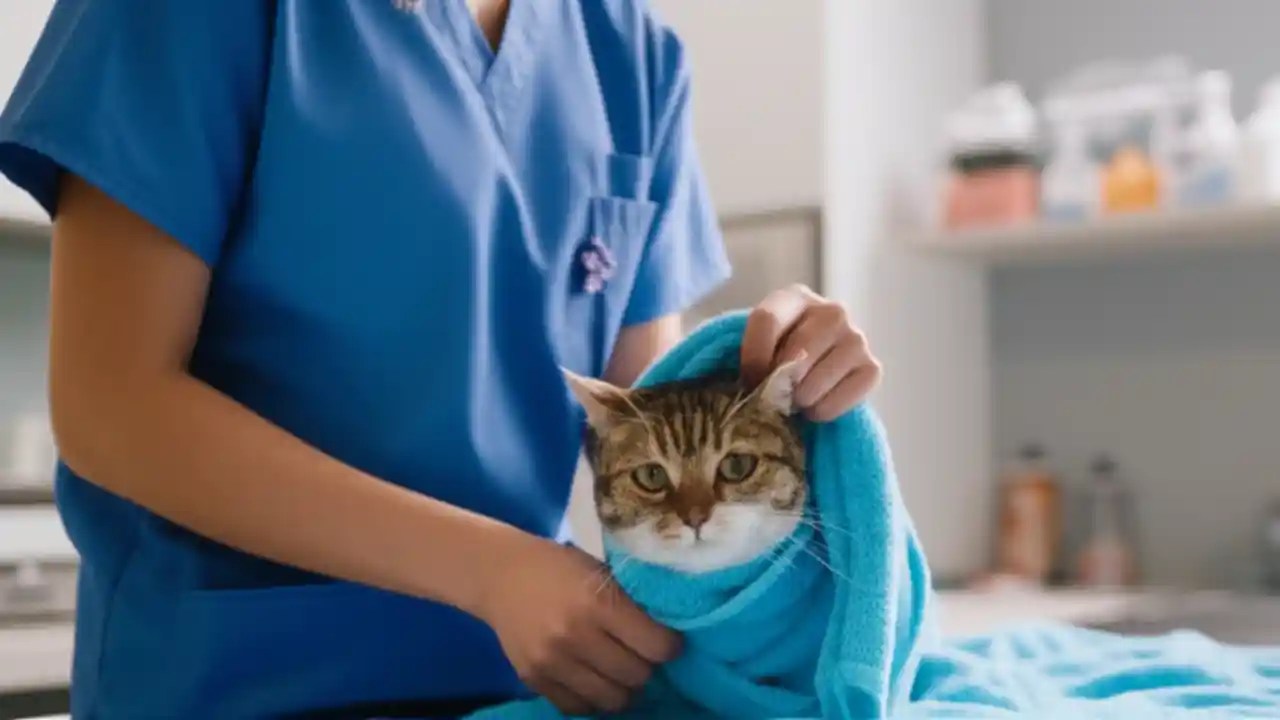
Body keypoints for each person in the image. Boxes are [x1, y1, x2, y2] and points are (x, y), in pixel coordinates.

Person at [0, 1, 881, 717]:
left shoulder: (630, 55)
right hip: (241, 684)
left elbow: (643, 422)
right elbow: (110, 404)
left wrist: (780, 368)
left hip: (538, 684)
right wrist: (492, 572)